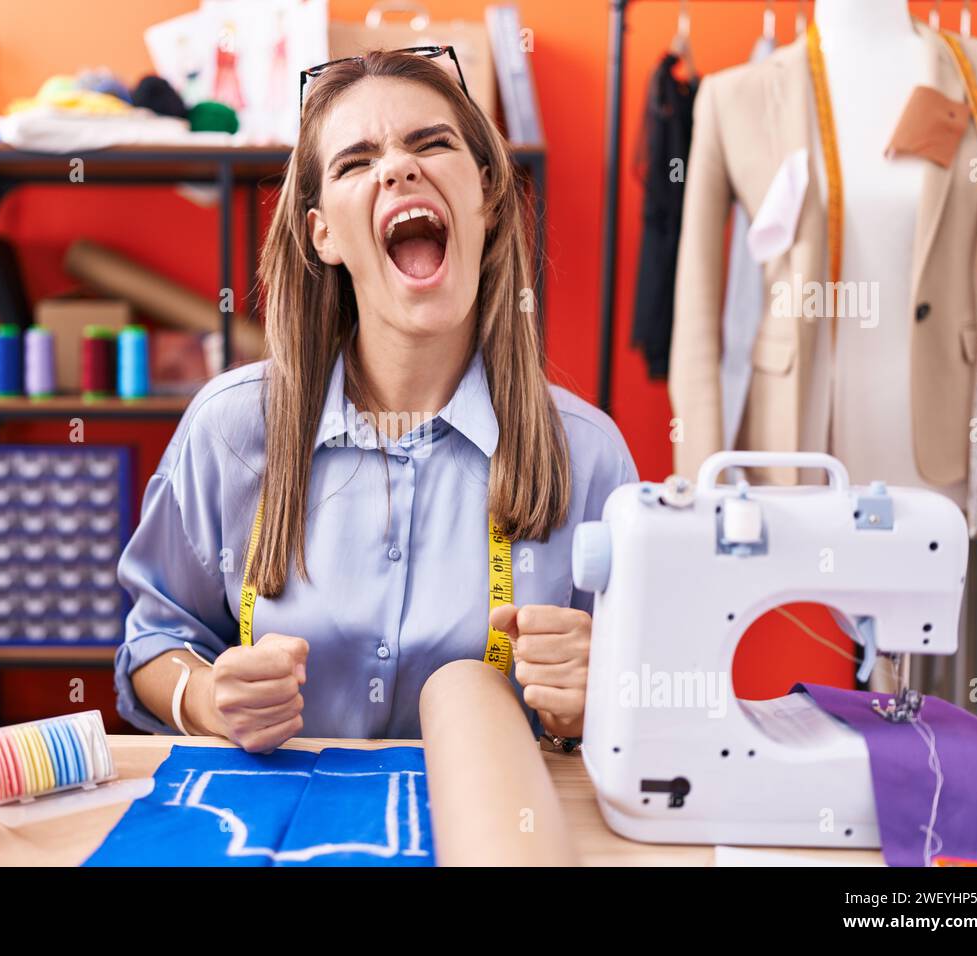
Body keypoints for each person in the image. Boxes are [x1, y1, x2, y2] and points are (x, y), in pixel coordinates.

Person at [115, 48, 636, 751]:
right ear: (322, 233)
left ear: (487, 193)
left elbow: (646, 709)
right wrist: (207, 696)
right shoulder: (232, 429)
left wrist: (596, 702)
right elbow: (153, 642)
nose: (397, 167)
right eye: (356, 162)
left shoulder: (589, 455)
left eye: (432, 143)